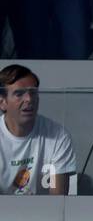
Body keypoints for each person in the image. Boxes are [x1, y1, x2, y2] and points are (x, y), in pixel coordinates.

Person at [0, 64, 76, 194]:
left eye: (33, 92)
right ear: (2, 102)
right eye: (19, 94)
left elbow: (57, 201)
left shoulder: (58, 136)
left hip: (44, 213)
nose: (29, 99)